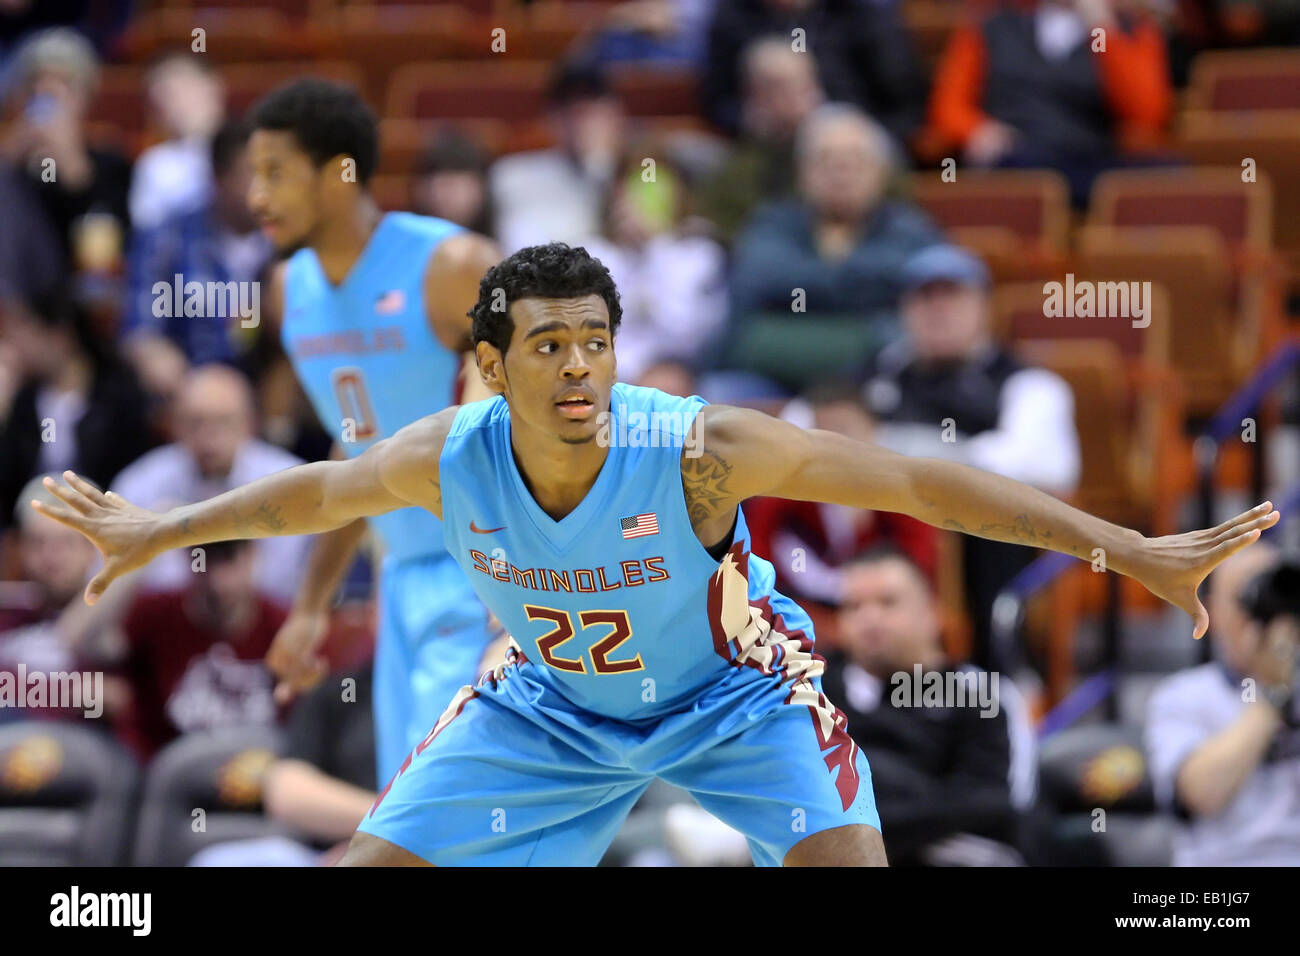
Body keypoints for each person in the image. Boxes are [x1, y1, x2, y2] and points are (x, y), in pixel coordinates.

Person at [31, 242, 1279, 867]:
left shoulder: (697, 449)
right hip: (546, 707)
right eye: (550, 347)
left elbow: (919, 479)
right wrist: (154, 531)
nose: (578, 368)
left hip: (738, 697)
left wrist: (1122, 546)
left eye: (595, 341)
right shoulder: (444, 451)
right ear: (491, 363)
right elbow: (308, 494)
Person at [243, 78, 504, 782]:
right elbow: (356, 450)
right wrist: (309, 607)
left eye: (274, 174)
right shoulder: (288, 293)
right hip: (401, 576)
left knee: (446, 820)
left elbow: (545, 415)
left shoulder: (450, 266)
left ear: (338, 175)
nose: (255, 198)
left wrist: (531, 586)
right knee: (407, 810)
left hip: (486, 573)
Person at [819, 545, 1035, 865]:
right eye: (853, 606)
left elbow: (998, 802)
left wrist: (874, 823)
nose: (869, 618)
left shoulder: (980, 694)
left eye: (888, 602)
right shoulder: (813, 692)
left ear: (932, 612)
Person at [1145, 544, 1300, 866]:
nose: (1264, 613)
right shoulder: (1182, 696)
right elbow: (1202, 794)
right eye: (1249, 597)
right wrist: (1274, 691)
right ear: (1212, 611)